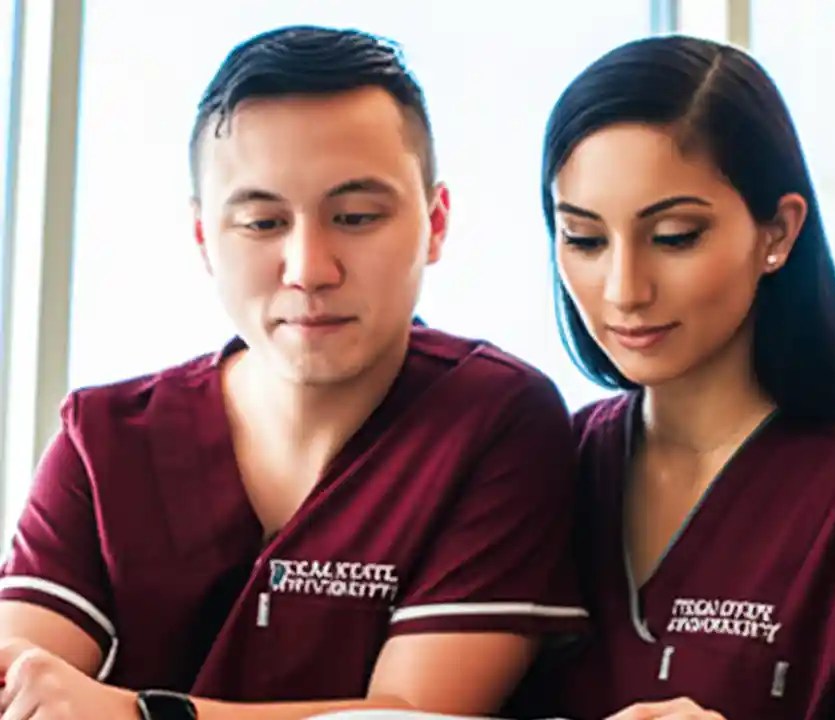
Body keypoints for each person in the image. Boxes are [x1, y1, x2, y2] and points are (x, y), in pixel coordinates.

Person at [0, 25, 585, 719]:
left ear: (436, 223)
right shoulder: (105, 437)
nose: (309, 269)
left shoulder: (497, 419)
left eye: (356, 216)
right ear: (202, 239)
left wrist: (142, 715)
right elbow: (28, 673)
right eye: (261, 222)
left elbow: (414, 714)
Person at [510, 35, 835, 720]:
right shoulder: (543, 468)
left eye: (674, 236)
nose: (624, 289)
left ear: (776, 232)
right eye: (585, 240)